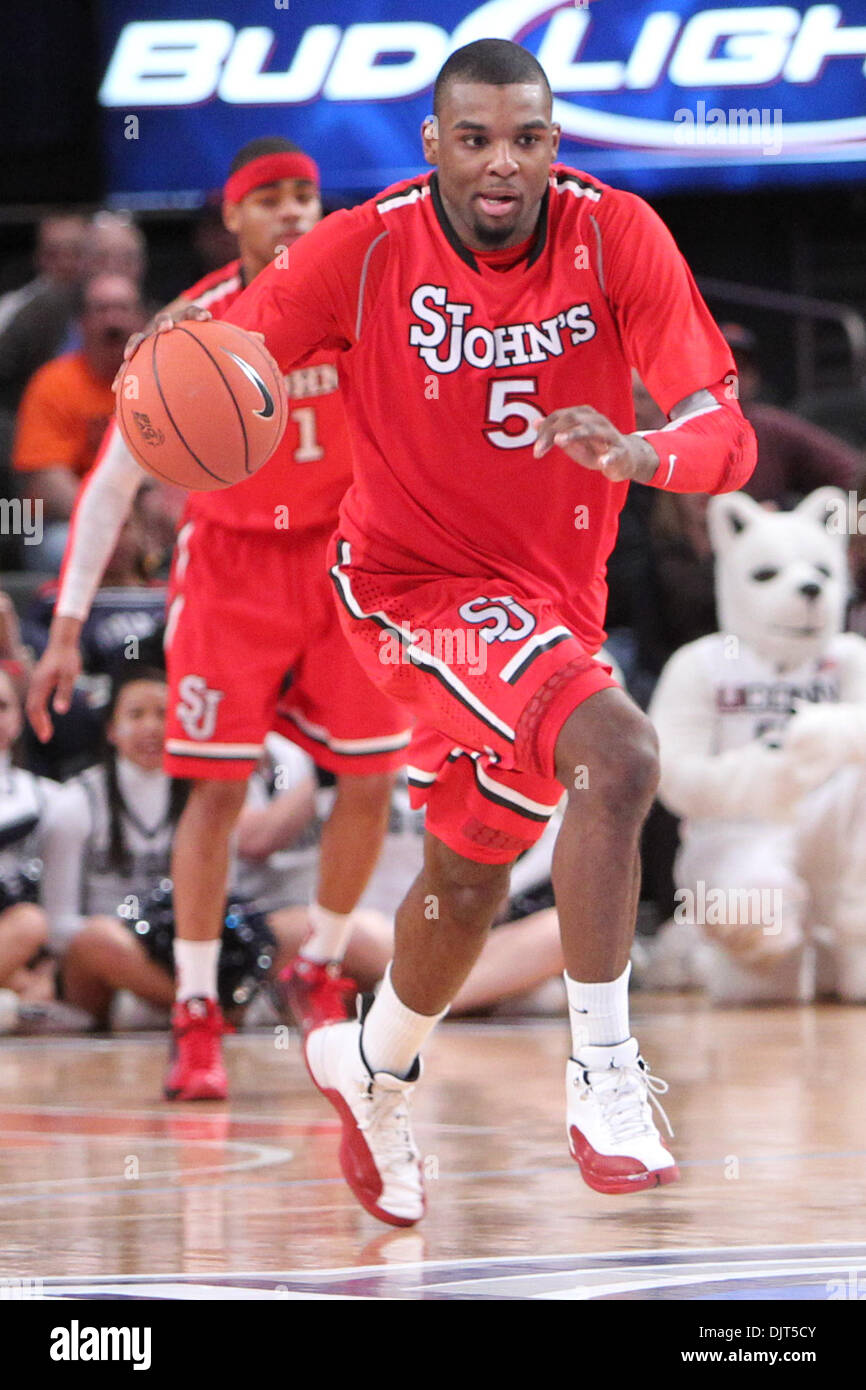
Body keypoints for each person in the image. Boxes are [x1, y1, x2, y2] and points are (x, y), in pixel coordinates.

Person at [144, 39, 756, 1223]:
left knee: (466, 878)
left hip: (549, 605)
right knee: (619, 754)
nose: (499, 165)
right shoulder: (364, 247)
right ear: (432, 144)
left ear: (551, 144)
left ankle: (370, 1064)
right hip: (408, 587)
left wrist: (642, 451)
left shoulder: (614, 233)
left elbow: (720, 428)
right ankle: (606, 1071)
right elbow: (231, 359)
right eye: (472, 138)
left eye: (524, 139)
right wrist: (170, 373)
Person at [27, 138, 411, 1102]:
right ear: (230, 218)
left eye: (307, 197)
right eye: (271, 198)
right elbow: (113, 481)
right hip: (234, 568)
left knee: (370, 777)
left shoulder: (366, 310)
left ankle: (320, 963)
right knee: (217, 788)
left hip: (344, 560)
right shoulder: (194, 331)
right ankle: (195, 1009)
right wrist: (69, 624)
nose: (293, 213)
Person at [13, 273, 146, 570]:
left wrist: (145, 523)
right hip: (66, 519)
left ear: (141, 319)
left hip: (141, 520)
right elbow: (48, 482)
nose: (114, 321)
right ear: (81, 322)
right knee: (62, 546)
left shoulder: (160, 381)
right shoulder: (53, 383)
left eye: (123, 309)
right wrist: (111, 523)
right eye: (101, 309)